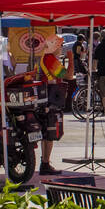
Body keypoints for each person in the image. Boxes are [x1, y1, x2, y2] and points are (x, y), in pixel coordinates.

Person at [36, 47, 72, 177]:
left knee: (46, 133)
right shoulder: (50, 59)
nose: (61, 49)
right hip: (51, 98)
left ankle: (44, 162)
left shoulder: (44, 58)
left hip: (45, 96)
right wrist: (71, 58)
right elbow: (68, 75)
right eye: (60, 46)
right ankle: (45, 163)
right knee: (50, 131)